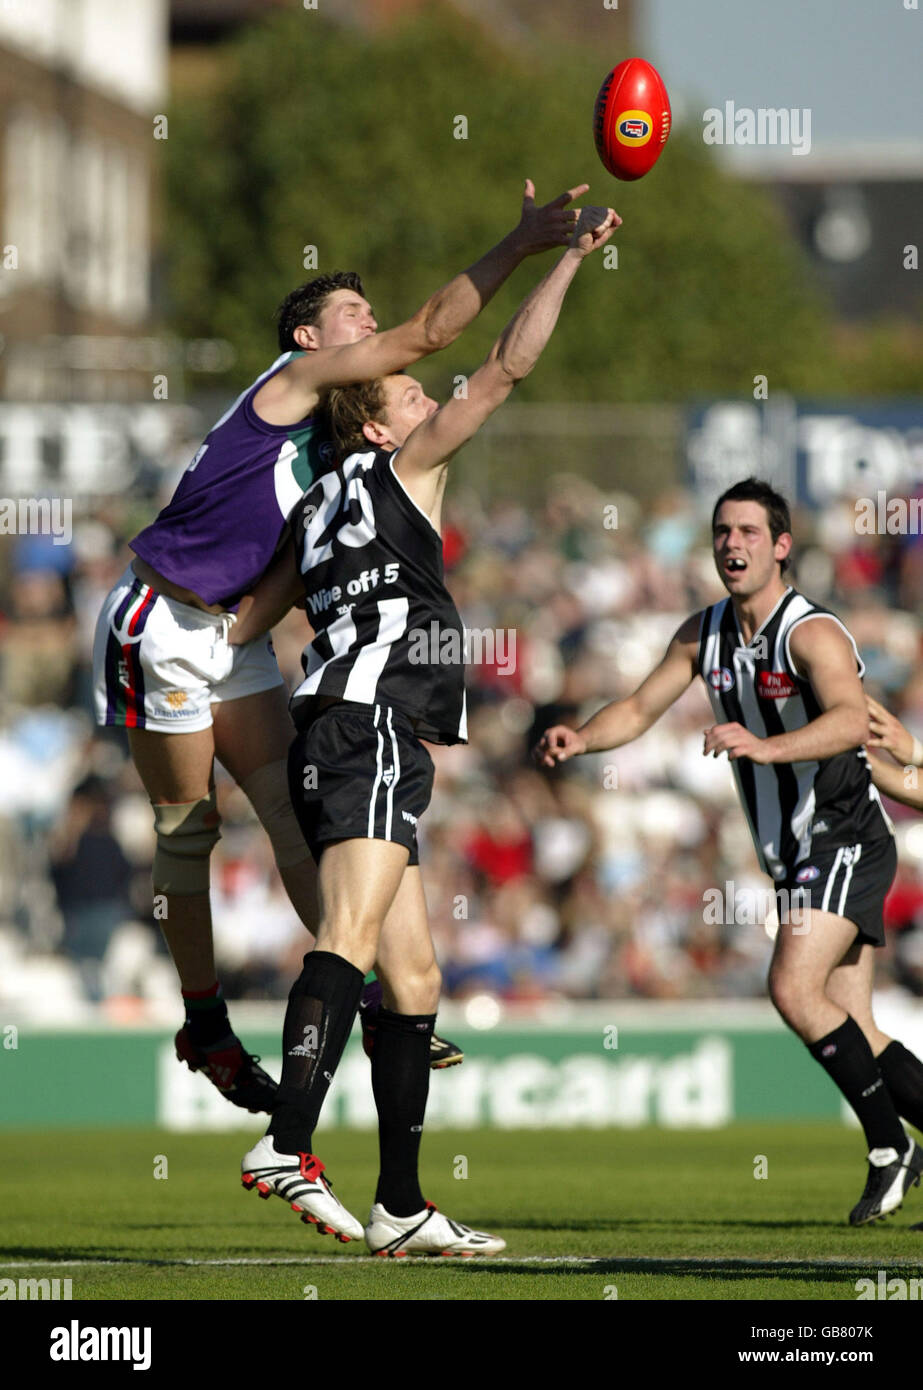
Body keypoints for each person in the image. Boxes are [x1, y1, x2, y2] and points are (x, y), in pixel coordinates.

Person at [92, 181, 587, 1109]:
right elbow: (434, 331)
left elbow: (282, 579)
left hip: (224, 633)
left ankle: (359, 993)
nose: (370, 323)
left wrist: (235, 642)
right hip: (160, 617)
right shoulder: (291, 384)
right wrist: (522, 241)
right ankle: (204, 1025)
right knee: (185, 835)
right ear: (309, 343)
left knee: (291, 817)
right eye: (350, 315)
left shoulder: (340, 457)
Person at [229, 203, 620, 1254]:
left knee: (415, 979)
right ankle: (286, 1137)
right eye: (410, 393)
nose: (428, 396)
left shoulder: (306, 510)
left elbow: (250, 616)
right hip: (372, 729)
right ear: (376, 425)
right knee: (349, 944)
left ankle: (399, 1204)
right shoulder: (406, 467)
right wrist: (568, 262)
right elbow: (503, 367)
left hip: (329, 729)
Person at [535, 477, 923, 1226]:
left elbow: (849, 722)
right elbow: (642, 707)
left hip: (840, 832)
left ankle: (887, 1147)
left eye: (748, 532)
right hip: (792, 851)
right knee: (854, 1025)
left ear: (780, 547)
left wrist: (764, 745)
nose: (731, 545)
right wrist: (582, 735)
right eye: (721, 531)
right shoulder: (702, 632)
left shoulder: (811, 632)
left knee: (791, 988)